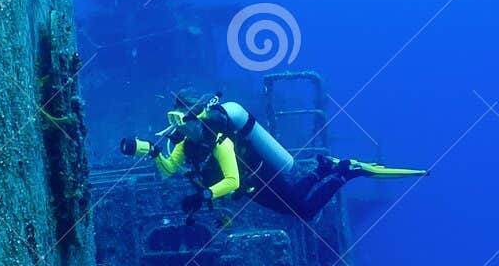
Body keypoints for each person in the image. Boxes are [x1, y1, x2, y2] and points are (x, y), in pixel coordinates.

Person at [120, 91, 427, 222]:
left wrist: (204, 195)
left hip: (261, 177)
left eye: (180, 120)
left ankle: (346, 171)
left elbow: (232, 180)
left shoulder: (220, 141)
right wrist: (152, 153)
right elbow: (169, 169)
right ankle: (324, 169)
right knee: (298, 199)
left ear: (197, 118)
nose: (177, 126)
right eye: (173, 119)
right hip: (253, 188)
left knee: (305, 211)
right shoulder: (185, 144)